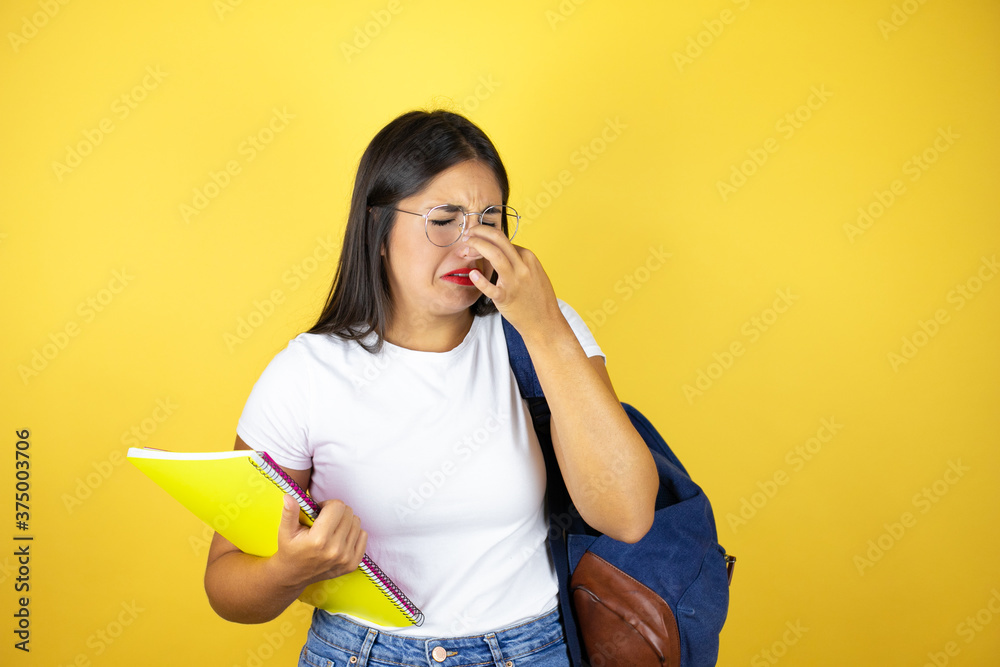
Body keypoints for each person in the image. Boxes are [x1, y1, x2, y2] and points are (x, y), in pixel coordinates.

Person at [204, 109, 658, 667]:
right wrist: (288, 571)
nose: (471, 247)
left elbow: (629, 513)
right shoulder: (306, 374)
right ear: (378, 231)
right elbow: (226, 583)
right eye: (444, 219)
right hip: (360, 653)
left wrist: (544, 329)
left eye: (489, 219)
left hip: (532, 650)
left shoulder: (541, 330)